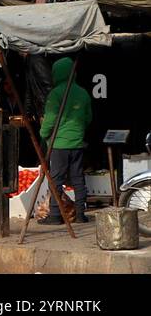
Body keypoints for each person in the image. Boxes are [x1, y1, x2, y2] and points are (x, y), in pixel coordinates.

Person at [39, 57, 92, 225]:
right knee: (78, 178)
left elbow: (50, 120)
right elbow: (88, 117)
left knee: (57, 180)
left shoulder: (55, 94)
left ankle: (55, 214)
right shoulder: (83, 93)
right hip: (77, 142)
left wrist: (43, 133)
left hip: (59, 144)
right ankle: (80, 214)